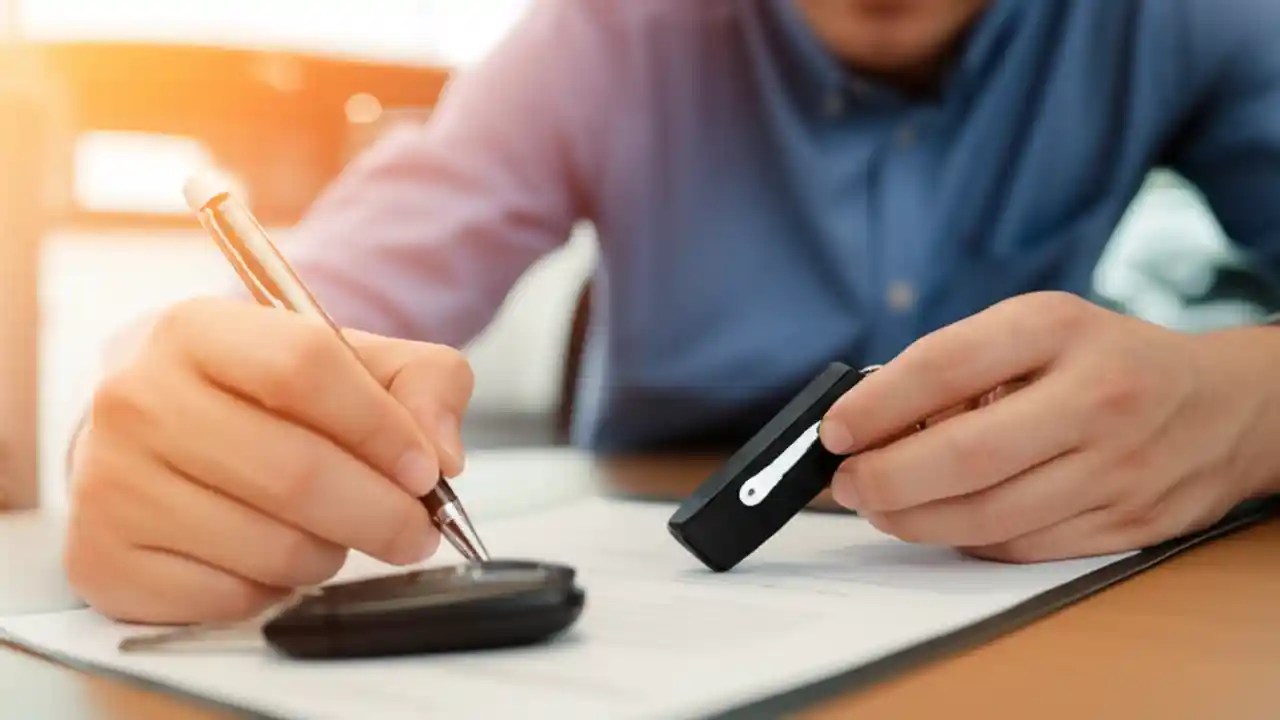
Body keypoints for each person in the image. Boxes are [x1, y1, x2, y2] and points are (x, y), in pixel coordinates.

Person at [64, 0, 1280, 623]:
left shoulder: (1178, 19)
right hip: (651, 553)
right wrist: (159, 413)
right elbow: (293, 307)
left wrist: (1248, 402)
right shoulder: (604, 33)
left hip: (1037, 599)